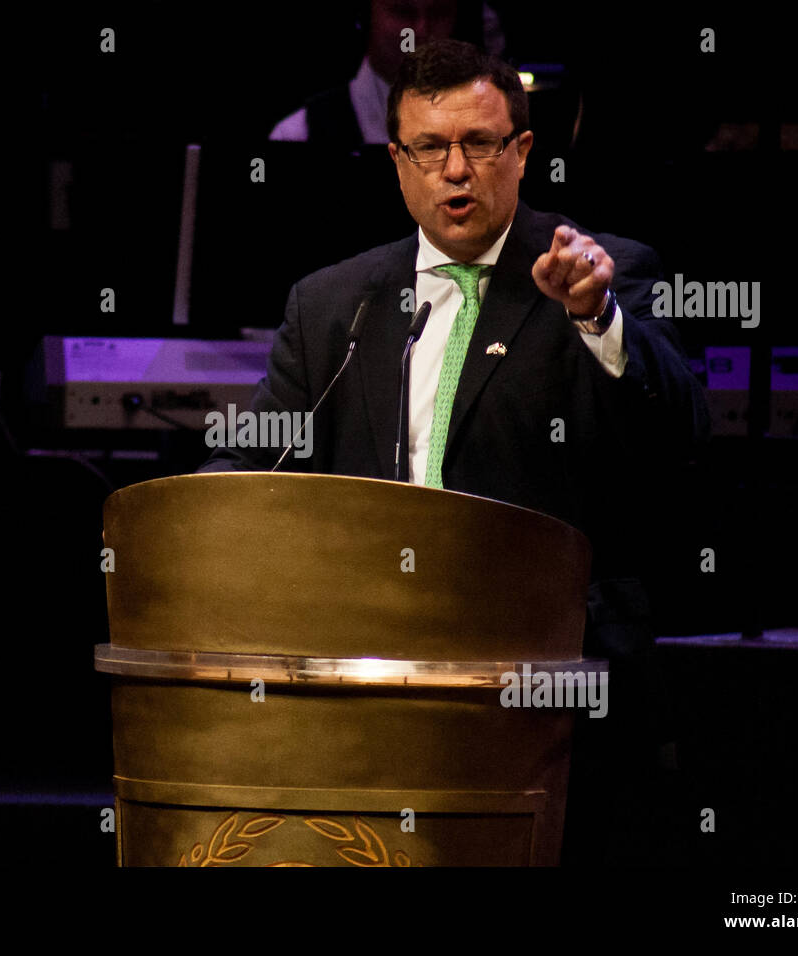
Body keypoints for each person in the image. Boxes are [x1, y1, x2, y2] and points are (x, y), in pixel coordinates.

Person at [201, 38, 711, 863]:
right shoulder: (335, 303)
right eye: (431, 148)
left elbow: (681, 427)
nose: (456, 170)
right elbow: (264, 460)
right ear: (397, 159)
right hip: (375, 676)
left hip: (547, 680)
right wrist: (190, 518)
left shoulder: (596, 271)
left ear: (522, 151)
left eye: (479, 143)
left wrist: (596, 319)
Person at [269, 0, 505, 149]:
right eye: (403, 12)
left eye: (438, 13)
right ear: (366, 17)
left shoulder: (491, 129)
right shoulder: (298, 134)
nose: (421, 30)